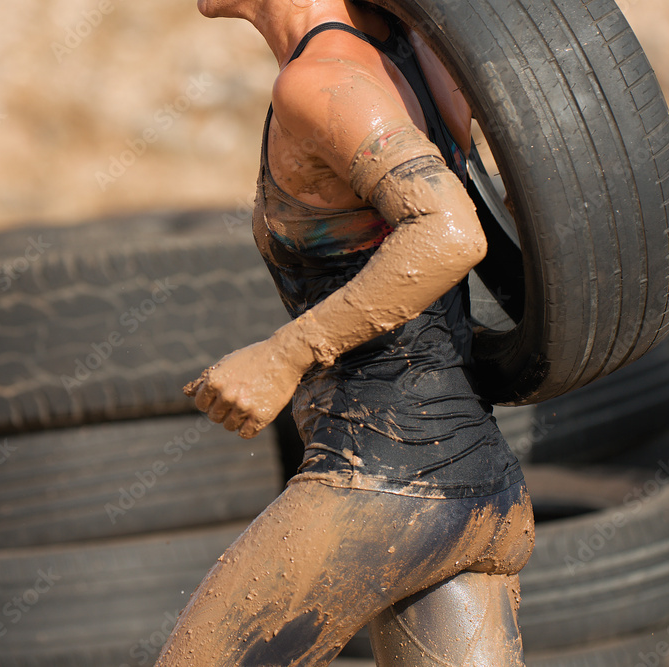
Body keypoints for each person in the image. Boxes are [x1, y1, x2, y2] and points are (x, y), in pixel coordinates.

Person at [156, 0, 534, 665]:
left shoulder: (320, 80)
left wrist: (284, 353)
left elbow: (449, 231)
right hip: (480, 489)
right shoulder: (416, 53)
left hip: (383, 481)